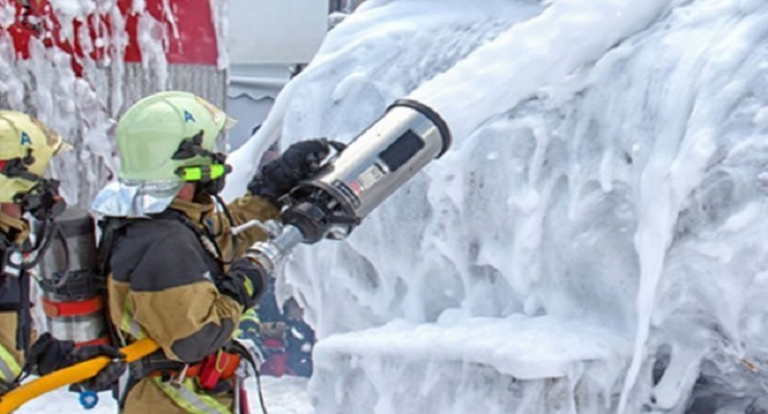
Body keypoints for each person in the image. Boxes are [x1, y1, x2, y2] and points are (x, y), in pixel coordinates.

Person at [90, 91, 329, 413]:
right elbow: (196, 337)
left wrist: (270, 192)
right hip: (173, 403)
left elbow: (220, 242)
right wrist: (246, 283)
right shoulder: (164, 243)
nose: (217, 160)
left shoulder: (158, 223)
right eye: (209, 152)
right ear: (187, 163)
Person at [0, 110, 124, 394]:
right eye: (37, 177)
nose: (45, 189)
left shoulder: (8, 245)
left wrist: (69, 362)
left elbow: (10, 343)